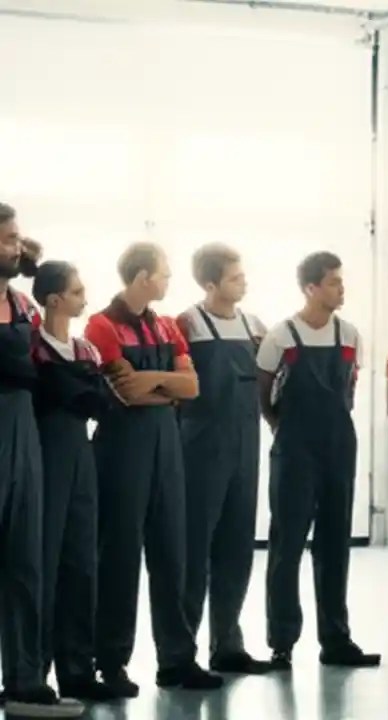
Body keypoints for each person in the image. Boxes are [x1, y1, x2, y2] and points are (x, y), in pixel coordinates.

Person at [84, 241, 220, 694]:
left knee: (172, 554)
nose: (168, 281)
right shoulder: (101, 326)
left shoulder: (166, 325)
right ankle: (111, 662)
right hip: (121, 451)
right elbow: (127, 394)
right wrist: (169, 387)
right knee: (119, 556)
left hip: (167, 450)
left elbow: (193, 387)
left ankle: (177, 660)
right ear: (143, 277)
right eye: (163, 273)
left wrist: (156, 380)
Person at [257, 251, 380, 670]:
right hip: (294, 448)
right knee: (287, 544)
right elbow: (264, 393)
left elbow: (350, 387)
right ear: (311, 288)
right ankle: (282, 642)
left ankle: (336, 640)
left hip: (338, 445)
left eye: (341, 281)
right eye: (333, 282)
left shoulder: (350, 335)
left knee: (334, 544)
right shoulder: (281, 336)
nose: (341, 289)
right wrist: (282, 427)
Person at [0, 205, 85, 717]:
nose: (19, 245)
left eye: (18, 238)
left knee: (24, 558)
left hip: (22, 430)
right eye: (10, 237)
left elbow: (41, 363)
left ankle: (25, 681)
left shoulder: (23, 304)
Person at [176, 244, 272, 675]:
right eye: (235, 277)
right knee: (195, 549)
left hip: (245, 446)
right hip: (199, 447)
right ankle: (182, 650)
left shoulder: (255, 326)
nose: (244, 282)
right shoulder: (187, 324)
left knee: (237, 545)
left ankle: (228, 644)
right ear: (210, 283)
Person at [30, 260, 120, 703]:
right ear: (54, 299)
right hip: (44, 456)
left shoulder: (85, 350)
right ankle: (34, 669)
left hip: (80, 456)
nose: (85, 297)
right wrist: (77, 391)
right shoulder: (32, 346)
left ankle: (78, 669)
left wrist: (72, 390)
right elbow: (68, 395)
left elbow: (98, 402)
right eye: (77, 291)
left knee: (82, 563)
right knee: (42, 564)